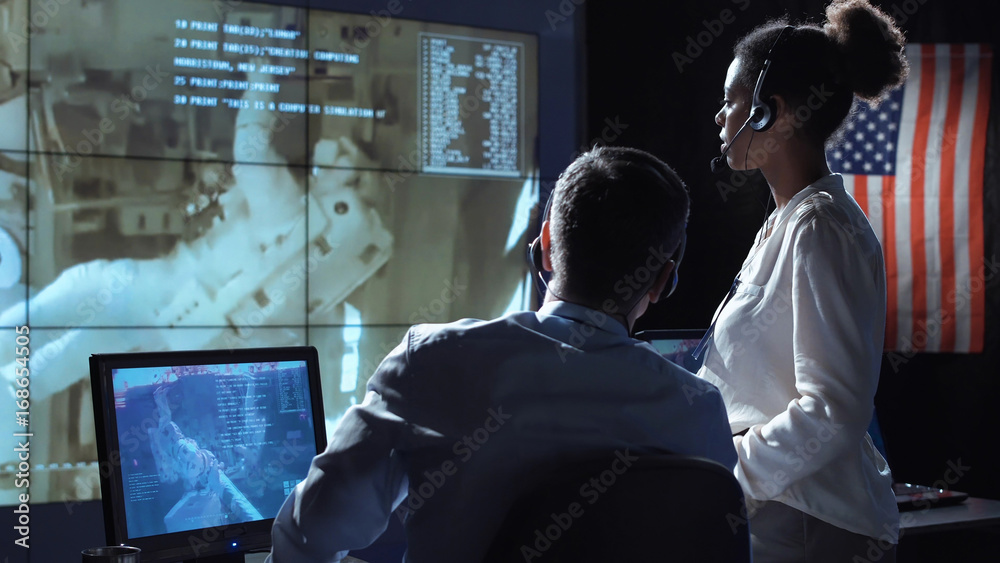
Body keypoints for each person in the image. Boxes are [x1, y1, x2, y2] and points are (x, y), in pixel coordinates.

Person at [266, 146, 737, 562]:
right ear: (663, 281)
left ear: (546, 247)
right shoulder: (700, 412)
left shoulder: (432, 360)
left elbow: (311, 534)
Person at [699, 1, 907, 561]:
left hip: (813, 522)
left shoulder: (819, 227)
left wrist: (725, 470)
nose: (720, 118)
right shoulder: (789, 221)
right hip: (787, 512)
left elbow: (834, 411)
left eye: (730, 101)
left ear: (774, 112)